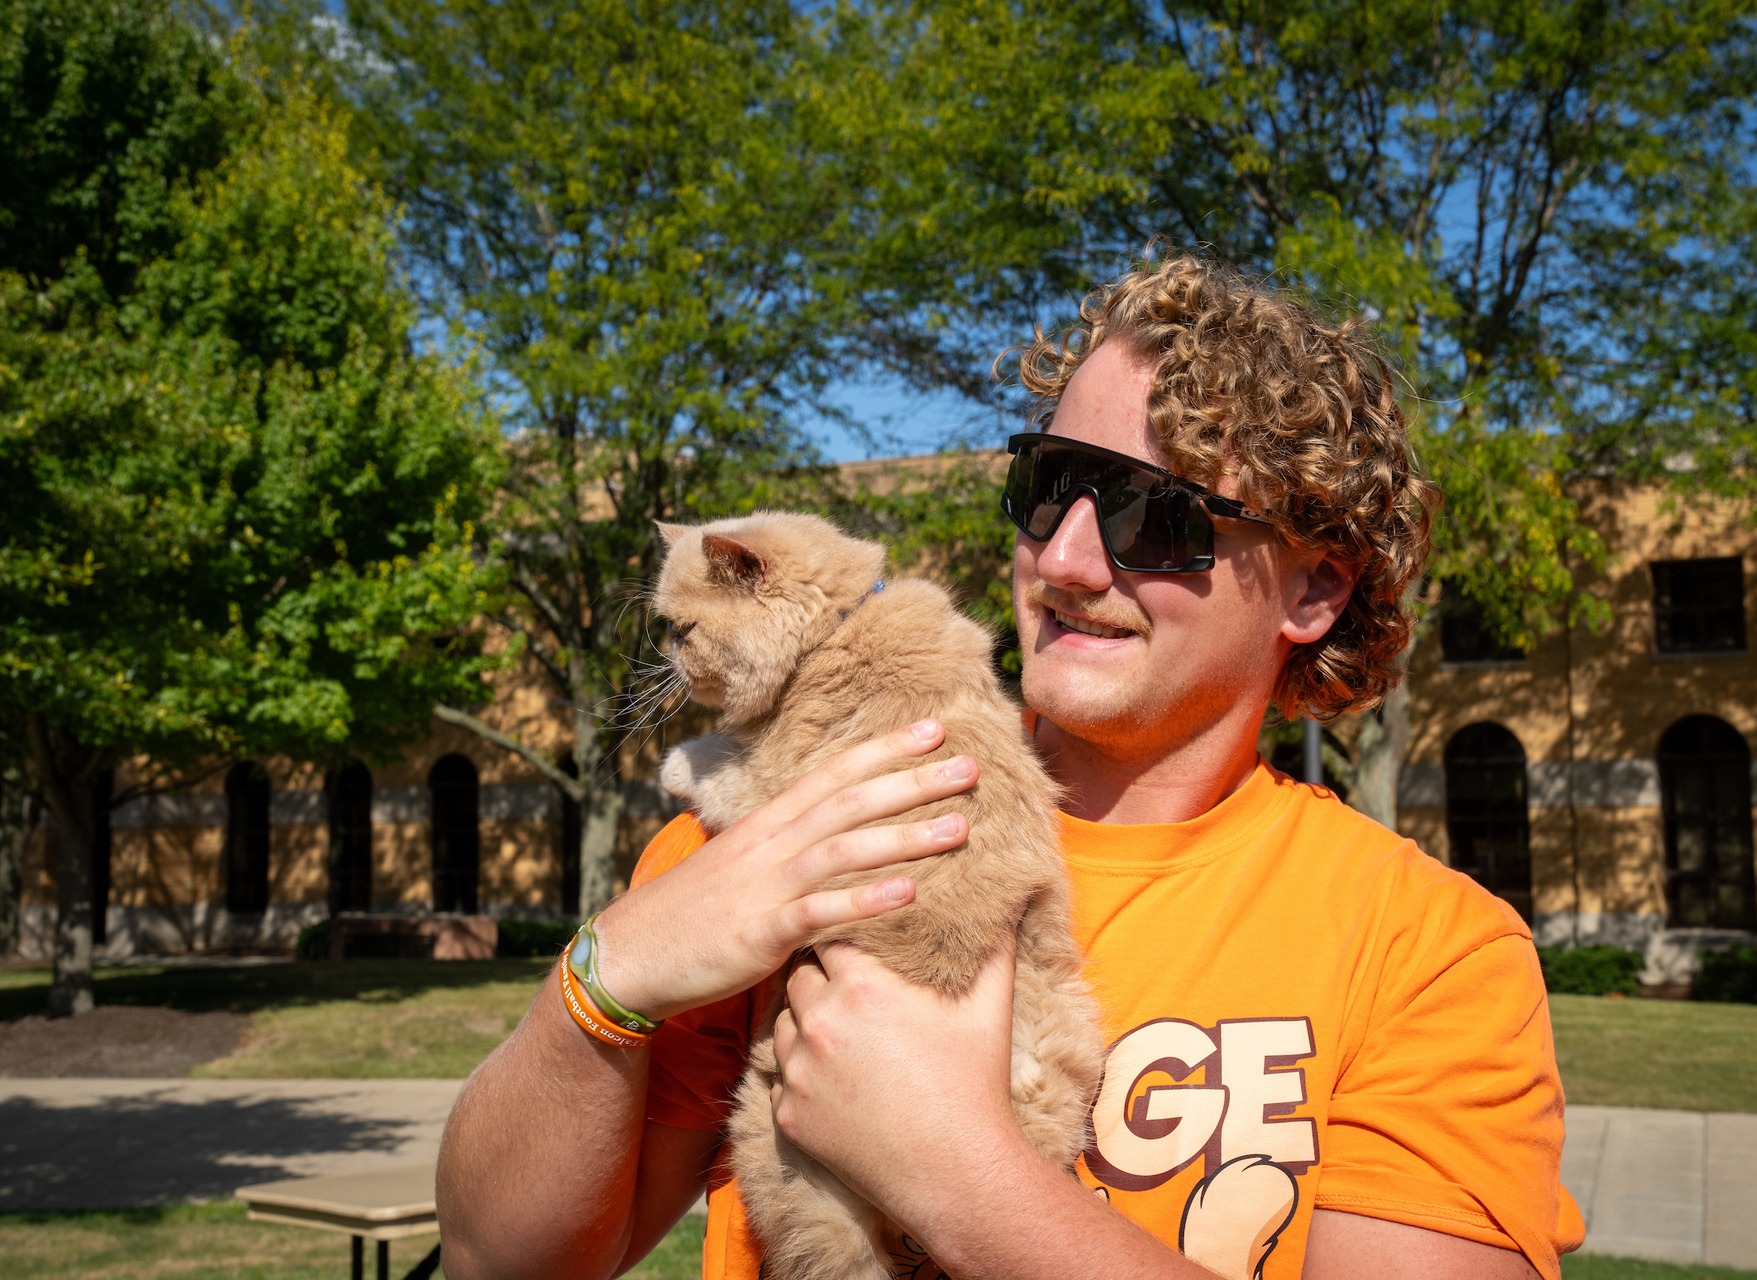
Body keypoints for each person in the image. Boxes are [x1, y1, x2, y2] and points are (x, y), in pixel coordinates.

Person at [437, 255, 1584, 1280]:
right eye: (1051, 485)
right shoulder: (798, 824)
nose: (1066, 560)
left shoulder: (1430, 954)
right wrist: (612, 970)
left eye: (1155, 514)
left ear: (1313, 589)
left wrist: (953, 1167)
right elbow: (503, 1257)